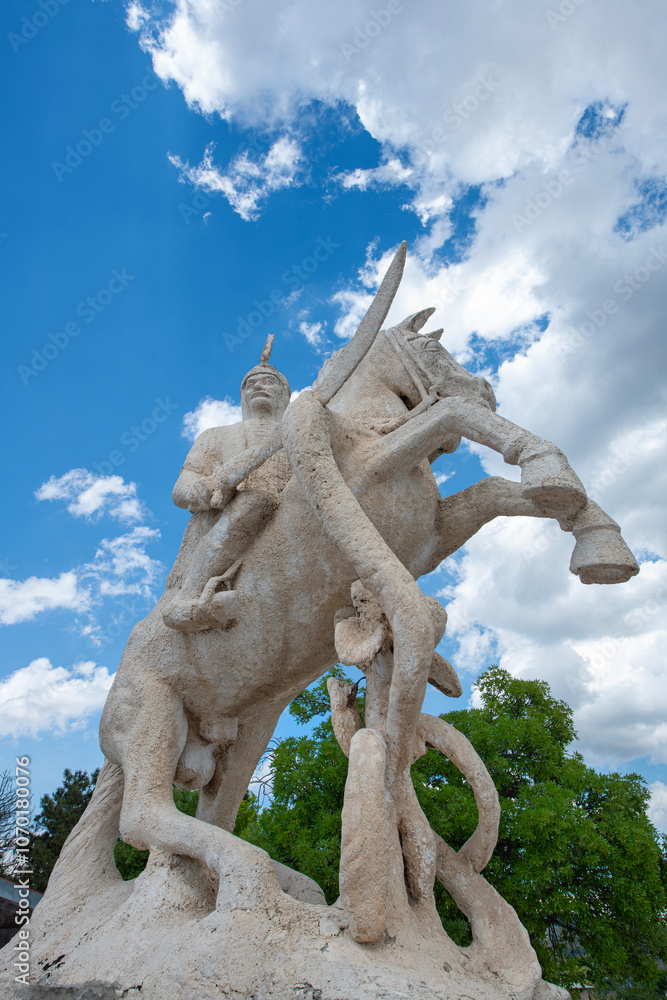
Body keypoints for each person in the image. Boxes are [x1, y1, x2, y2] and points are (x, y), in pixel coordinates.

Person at [163, 335, 291, 632]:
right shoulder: (215, 436)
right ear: (242, 395)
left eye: (269, 382)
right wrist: (198, 490)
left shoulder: (299, 431)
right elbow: (183, 484)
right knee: (256, 502)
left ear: (285, 394)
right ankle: (189, 598)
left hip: (294, 512)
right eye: (251, 383)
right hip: (233, 515)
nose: (259, 386)